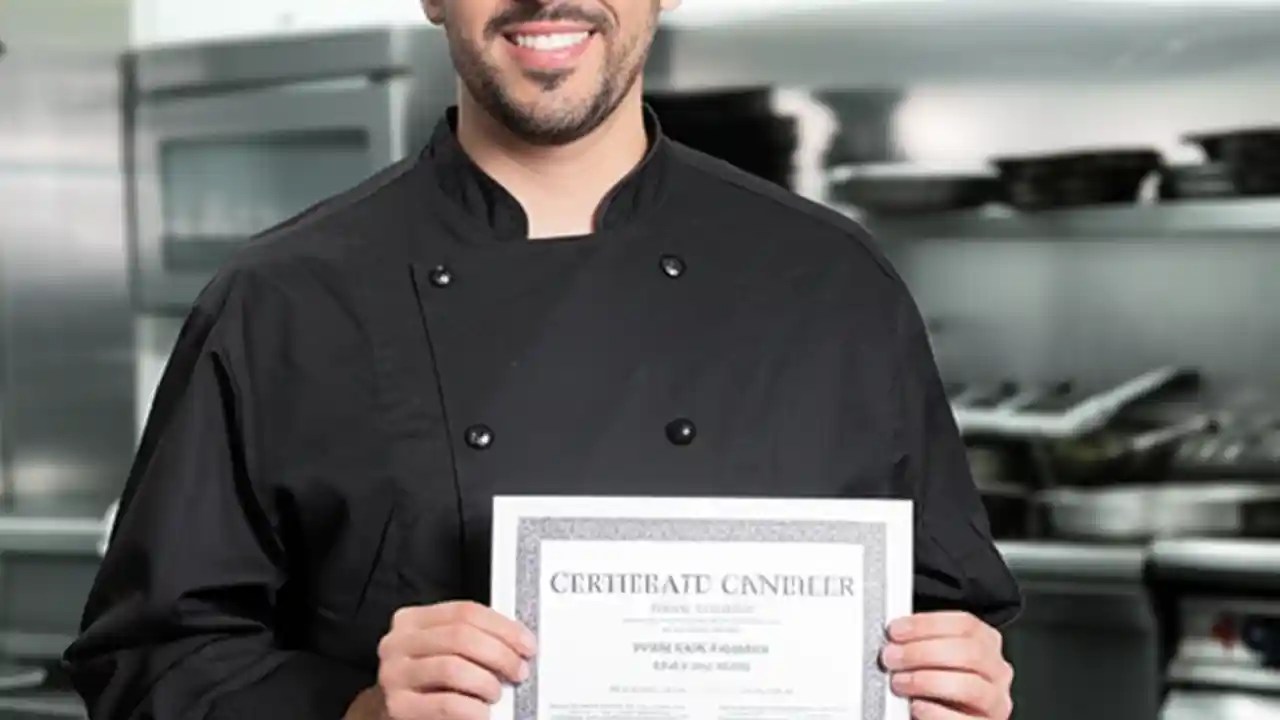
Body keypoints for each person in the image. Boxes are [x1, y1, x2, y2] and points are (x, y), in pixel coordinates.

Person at [65, 0, 1022, 718]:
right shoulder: (282, 296)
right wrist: (357, 712)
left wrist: (952, 682)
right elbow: (148, 660)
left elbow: (945, 612)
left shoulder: (832, 280)